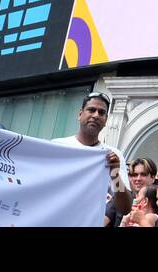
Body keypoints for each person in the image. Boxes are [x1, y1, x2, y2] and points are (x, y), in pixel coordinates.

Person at [51, 92, 131, 223]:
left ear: (106, 120)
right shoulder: (57, 146)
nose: (96, 115)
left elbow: (125, 208)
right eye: (91, 110)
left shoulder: (113, 156)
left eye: (101, 112)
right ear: (80, 114)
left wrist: (115, 174)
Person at [107, 156, 156, 227]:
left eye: (143, 174)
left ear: (153, 177)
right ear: (129, 177)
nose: (138, 179)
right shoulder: (122, 197)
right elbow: (103, 220)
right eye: (134, 175)